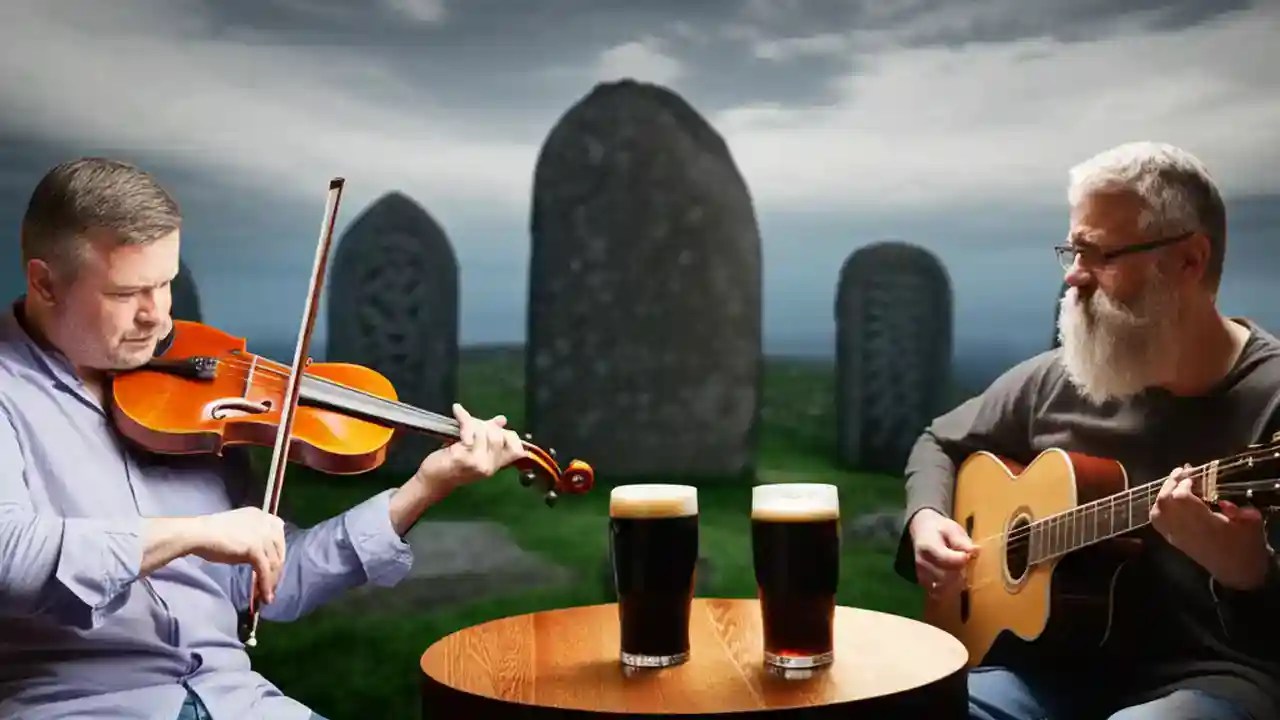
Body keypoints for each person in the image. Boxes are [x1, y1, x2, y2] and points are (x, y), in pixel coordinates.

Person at [0, 158, 528, 719]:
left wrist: (425, 486)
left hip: (237, 702)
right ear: (45, 283)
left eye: (166, 284)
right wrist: (194, 534)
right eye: (128, 293)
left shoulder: (197, 401)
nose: (157, 317)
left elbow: (277, 580)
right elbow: (12, 556)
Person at [895, 141, 1280, 720]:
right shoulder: (1064, 375)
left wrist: (1249, 576)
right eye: (1072, 251)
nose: (1075, 276)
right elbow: (941, 443)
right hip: (1041, 672)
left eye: (1100, 255)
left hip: (1207, 681)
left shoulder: (1271, 399)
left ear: (1190, 261)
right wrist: (927, 521)